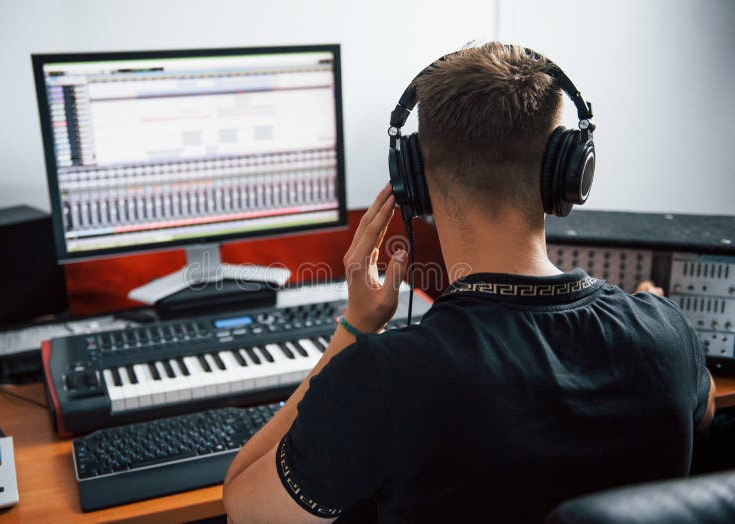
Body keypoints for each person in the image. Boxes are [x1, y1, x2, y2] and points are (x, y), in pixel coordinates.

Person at [222, 42, 715, 523]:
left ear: (413, 180)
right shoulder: (669, 335)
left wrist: (354, 327)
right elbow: (704, 407)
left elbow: (243, 504)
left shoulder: (382, 378)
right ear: (566, 173)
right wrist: (648, 310)